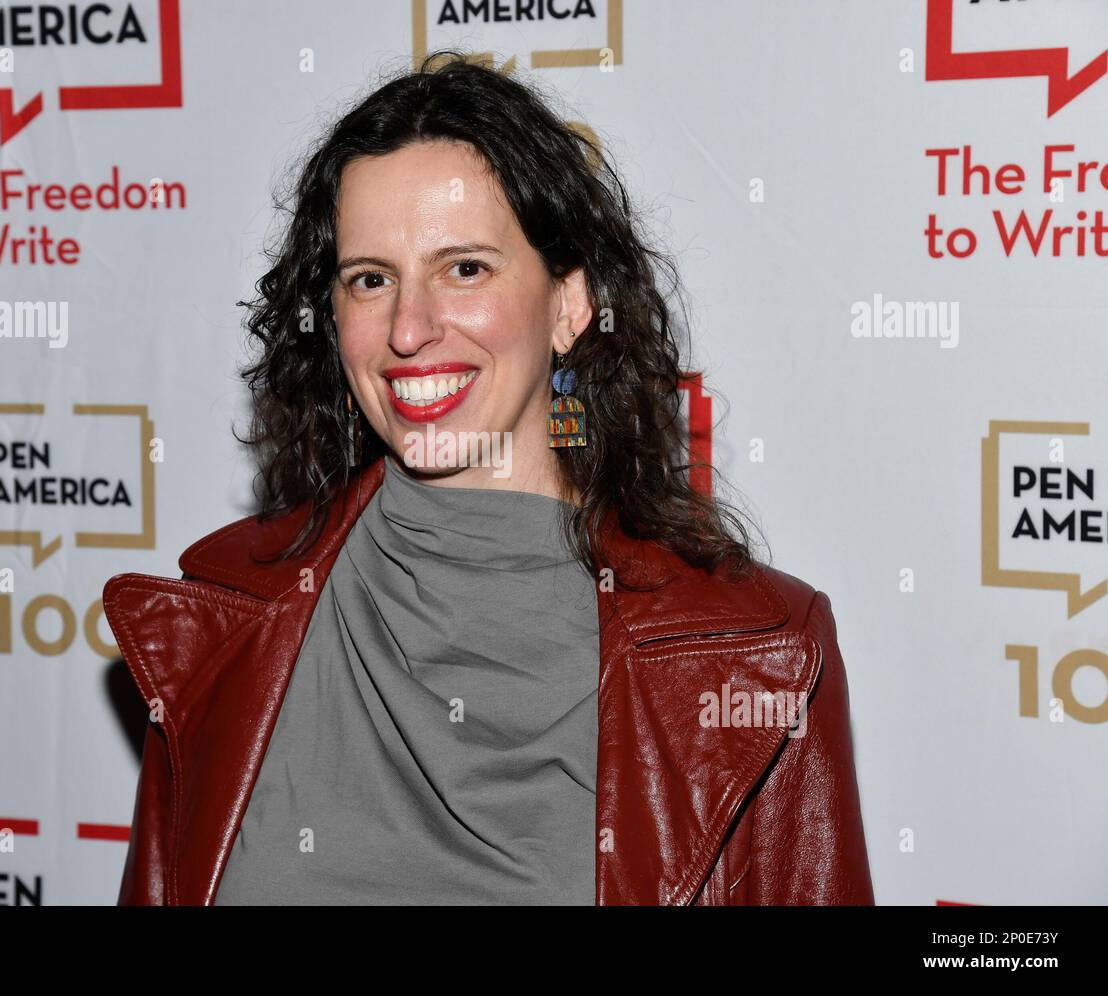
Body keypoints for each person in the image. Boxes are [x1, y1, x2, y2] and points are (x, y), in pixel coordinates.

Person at [102, 51, 874, 905]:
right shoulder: (226, 617)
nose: (409, 328)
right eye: (370, 279)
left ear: (570, 303)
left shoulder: (752, 652)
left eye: (464, 268)